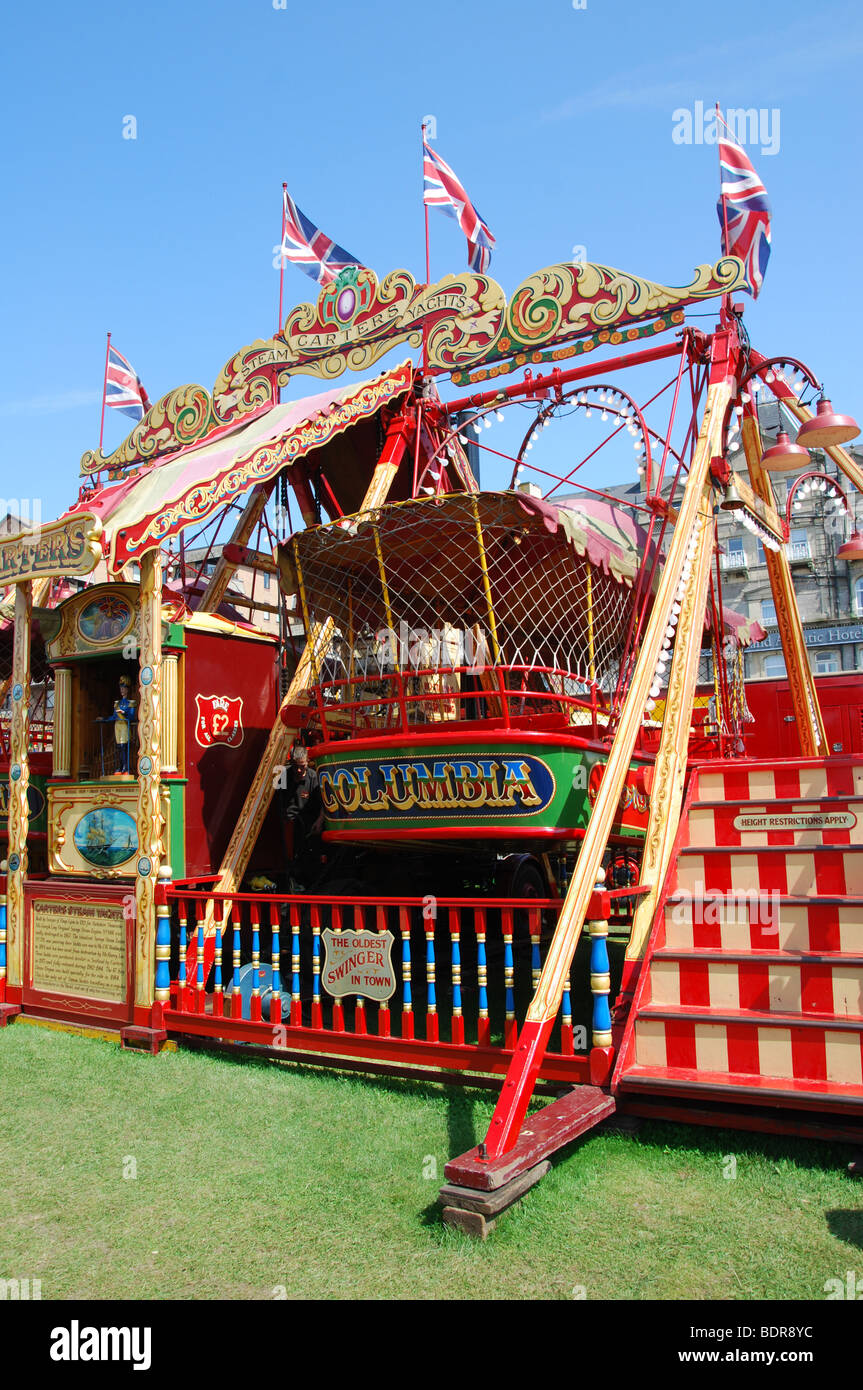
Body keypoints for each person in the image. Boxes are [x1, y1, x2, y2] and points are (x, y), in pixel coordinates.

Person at [280, 745, 323, 888]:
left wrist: (319, 821)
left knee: (310, 863)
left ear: (307, 762)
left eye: (302, 766)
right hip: (290, 826)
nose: (299, 770)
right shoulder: (283, 776)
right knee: (291, 864)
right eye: (295, 766)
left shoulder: (314, 777)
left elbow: (325, 804)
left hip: (309, 827)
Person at [98, 674, 136, 775]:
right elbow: (114, 716)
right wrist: (104, 719)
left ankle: (125, 768)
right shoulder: (117, 703)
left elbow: (132, 716)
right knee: (118, 747)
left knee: (124, 746)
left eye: (124, 688)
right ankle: (119, 767)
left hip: (124, 725)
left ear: (127, 689)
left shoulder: (130, 703)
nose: (122, 690)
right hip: (117, 725)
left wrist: (125, 713)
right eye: (121, 688)